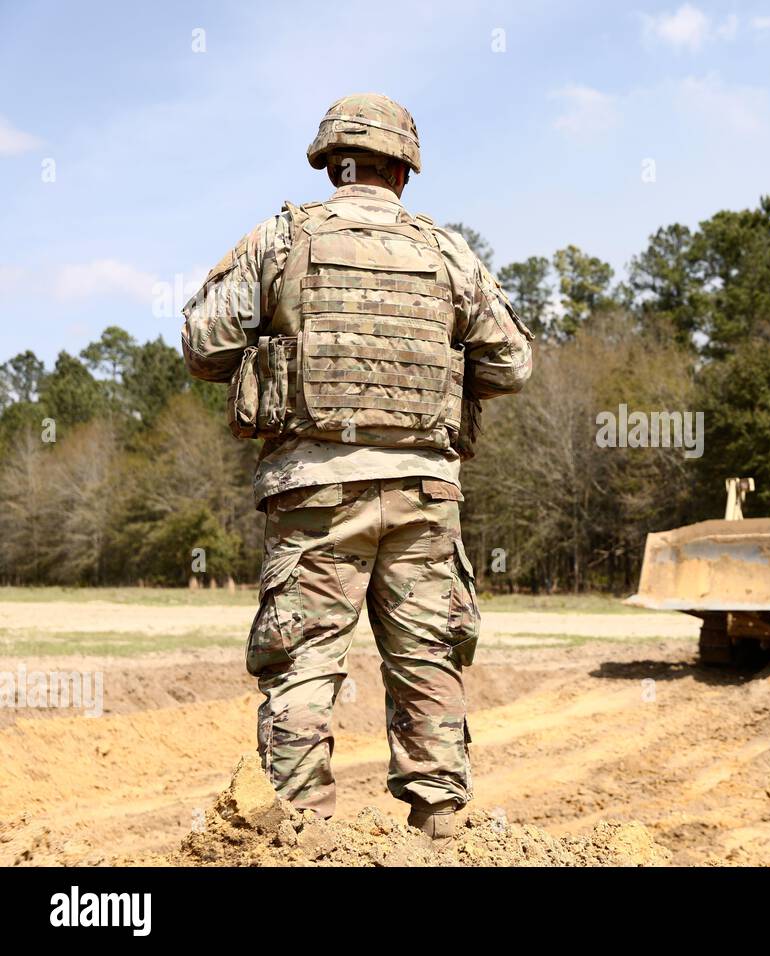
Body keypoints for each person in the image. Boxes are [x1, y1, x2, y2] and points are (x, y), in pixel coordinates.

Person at [180, 93, 532, 841]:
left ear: (331, 164)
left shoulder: (279, 240)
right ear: (404, 172)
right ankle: (441, 825)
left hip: (314, 493)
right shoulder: (449, 252)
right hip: (424, 492)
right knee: (428, 657)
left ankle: (299, 835)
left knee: (304, 663)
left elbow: (203, 346)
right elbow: (512, 362)